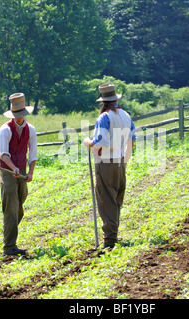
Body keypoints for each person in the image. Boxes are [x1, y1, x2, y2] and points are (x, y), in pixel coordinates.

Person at [83, 83, 136, 249]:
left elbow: (100, 141)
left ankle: (110, 240)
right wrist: (124, 162)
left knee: (106, 199)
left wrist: (88, 142)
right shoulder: (126, 115)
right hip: (119, 160)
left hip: (105, 162)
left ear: (103, 102)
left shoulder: (104, 118)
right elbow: (131, 141)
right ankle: (113, 234)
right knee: (116, 199)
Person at [0, 93, 38, 256]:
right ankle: (9, 246)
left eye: (22, 115)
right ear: (13, 115)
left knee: (19, 207)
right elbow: (3, 154)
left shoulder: (31, 130)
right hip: (7, 172)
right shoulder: (6, 130)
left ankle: (9, 234)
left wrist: (30, 172)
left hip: (21, 171)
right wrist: (13, 168)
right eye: (16, 116)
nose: (19, 119)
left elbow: (32, 154)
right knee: (11, 208)